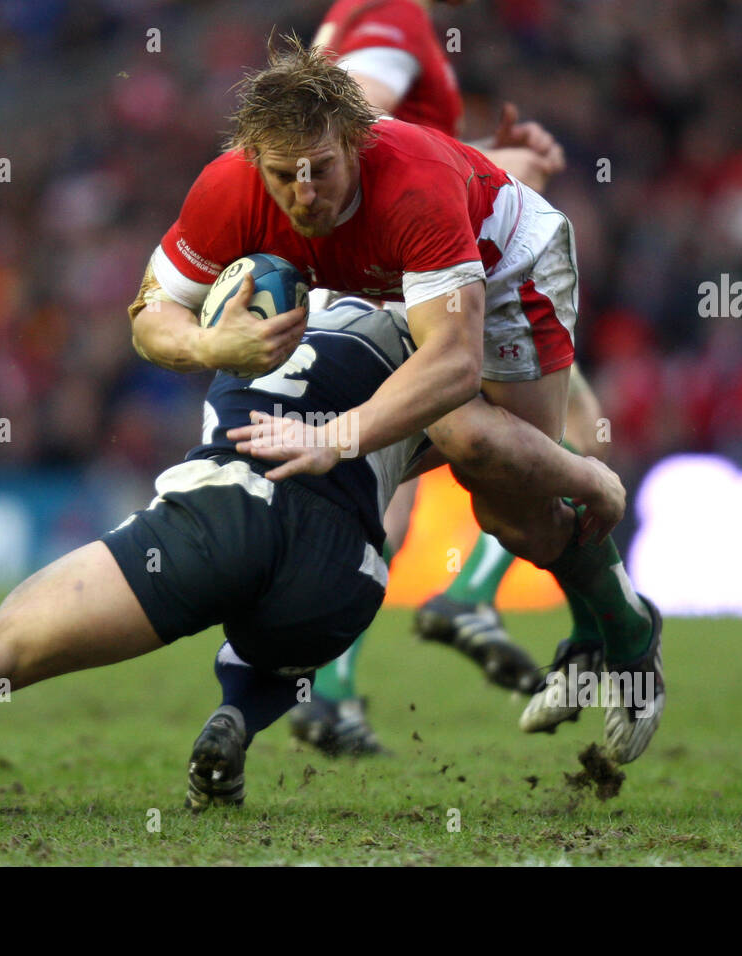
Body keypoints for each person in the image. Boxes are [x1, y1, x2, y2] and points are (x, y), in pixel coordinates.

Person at [0, 297, 483, 813]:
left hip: (225, 510)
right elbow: (482, 439)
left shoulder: (251, 271)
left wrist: (208, 334)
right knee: (281, 635)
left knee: (3, 647)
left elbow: (155, 321)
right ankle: (239, 711)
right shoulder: (441, 322)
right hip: (343, 576)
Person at [129, 37, 664, 765]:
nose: (305, 194)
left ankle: (623, 613)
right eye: (286, 177)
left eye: (322, 172)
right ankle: (287, 682)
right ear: (256, 161)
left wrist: (340, 435)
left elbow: (451, 361)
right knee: (358, 474)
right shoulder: (230, 187)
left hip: (507, 278)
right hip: (379, 293)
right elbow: (151, 315)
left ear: (357, 140)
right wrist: (208, 348)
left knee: (509, 501)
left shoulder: (411, 182)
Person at [294, 0, 612, 756]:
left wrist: (478, 157)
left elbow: (367, 147)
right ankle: (475, 598)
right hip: (404, 281)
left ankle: (330, 687)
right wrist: (502, 170)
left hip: (386, 277)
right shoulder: (391, 13)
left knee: (384, 494)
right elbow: (348, 143)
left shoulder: (352, 17)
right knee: (576, 433)